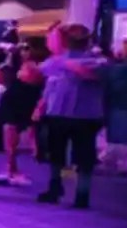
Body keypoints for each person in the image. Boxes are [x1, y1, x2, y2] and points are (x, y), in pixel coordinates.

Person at [35, 24, 108, 208]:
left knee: (60, 154)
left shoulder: (56, 62)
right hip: (82, 115)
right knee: (80, 156)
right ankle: (78, 195)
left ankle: (59, 190)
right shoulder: (98, 62)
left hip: (65, 114)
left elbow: (36, 75)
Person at [0, 45, 45, 187]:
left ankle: (18, 165)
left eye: (27, 49)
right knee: (11, 136)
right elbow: (1, 80)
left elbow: (34, 82)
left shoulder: (35, 68)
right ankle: (11, 169)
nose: (25, 52)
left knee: (27, 133)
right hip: (13, 103)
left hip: (25, 103)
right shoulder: (14, 67)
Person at [103, 40, 127, 175]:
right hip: (125, 105)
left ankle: (122, 163)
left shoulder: (119, 70)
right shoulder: (120, 69)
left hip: (121, 106)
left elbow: (111, 88)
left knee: (120, 137)